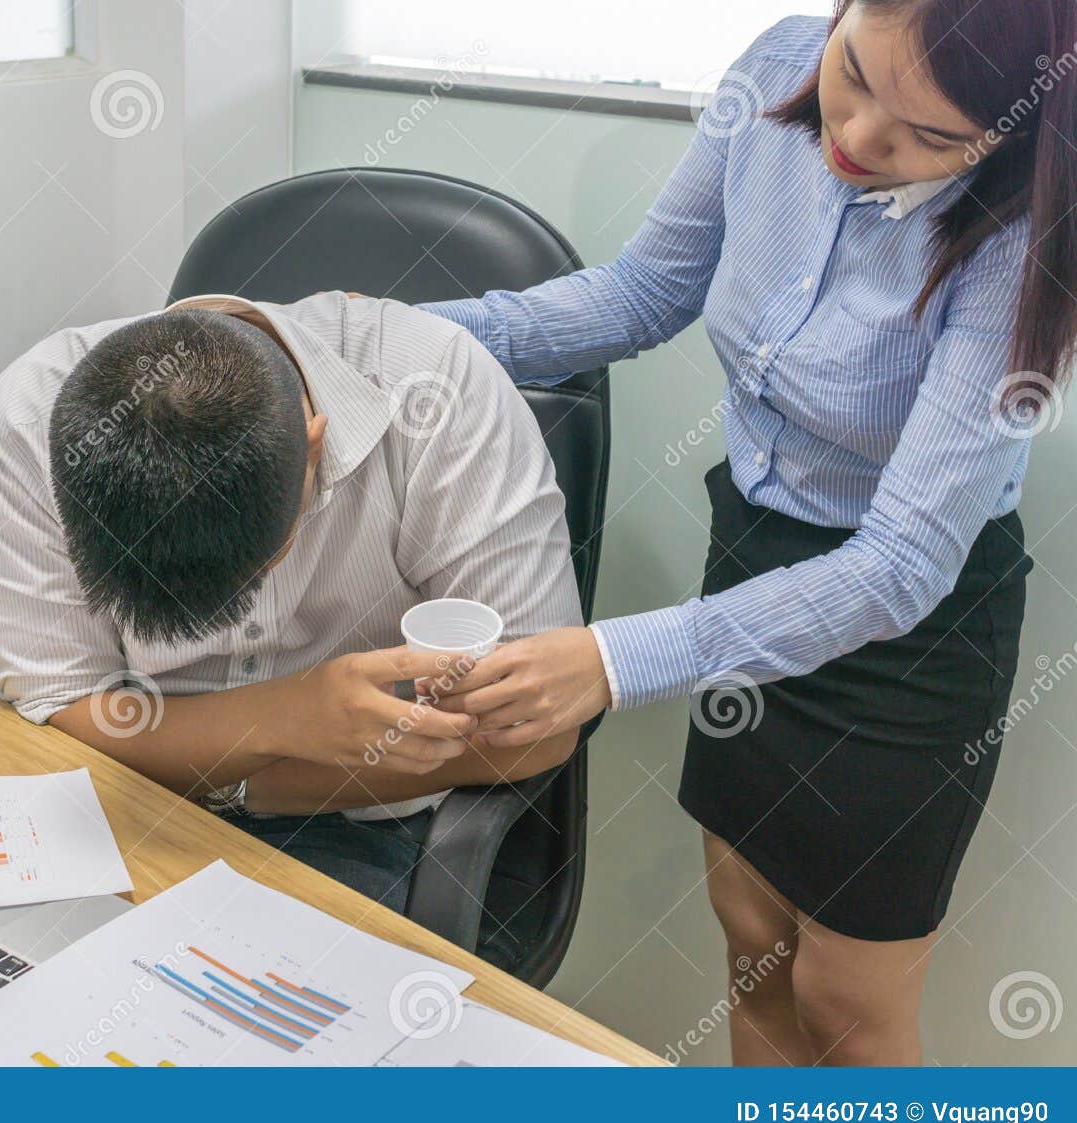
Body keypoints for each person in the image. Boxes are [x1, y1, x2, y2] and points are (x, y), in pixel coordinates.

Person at [424, 2, 1077, 1065]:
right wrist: (402, 335)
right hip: (751, 567)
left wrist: (612, 658)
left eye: (927, 136)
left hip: (902, 634)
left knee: (847, 1009)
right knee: (754, 945)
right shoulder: (775, 62)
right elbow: (639, 297)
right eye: (855, 73)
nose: (859, 139)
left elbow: (901, 566)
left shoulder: (1031, 234)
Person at [0, 291, 583, 913]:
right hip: (112, 785)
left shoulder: (440, 393)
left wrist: (262, 778)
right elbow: (67, 701)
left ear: (313, 450)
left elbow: (533, 732)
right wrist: (285, 719)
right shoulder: (30, 415)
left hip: (351, 815)